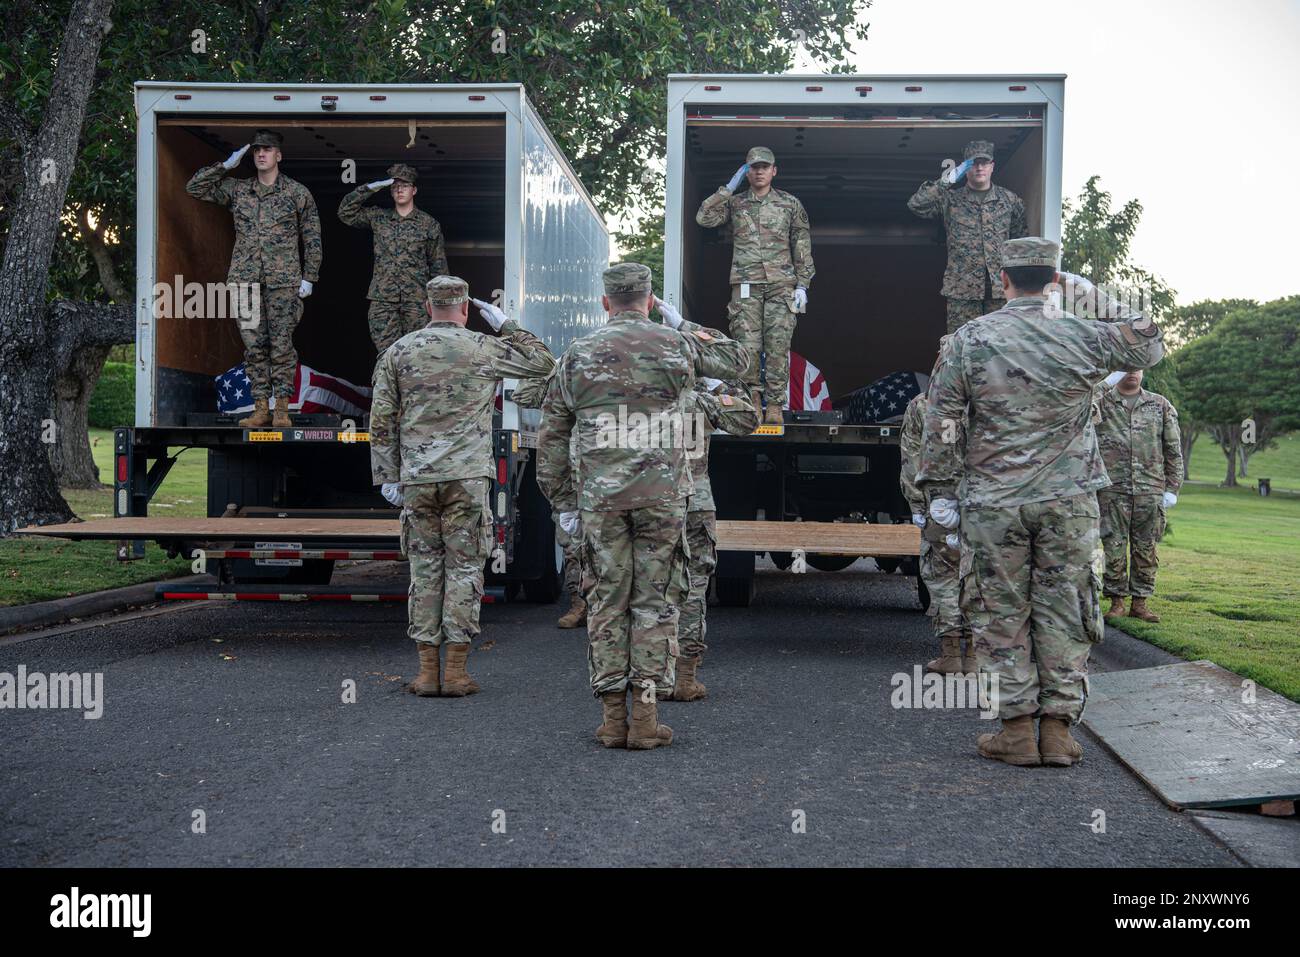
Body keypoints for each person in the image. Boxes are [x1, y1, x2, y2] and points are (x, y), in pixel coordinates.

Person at [917, 238, 1165, 768]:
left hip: (993, 501)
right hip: (1069, 500)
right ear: (1056, 280)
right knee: (1066, 610)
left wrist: (940, 492)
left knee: (999, 611)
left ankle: (1016, 731)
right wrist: (1096, 298)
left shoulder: (970, 338)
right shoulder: (1084, 334)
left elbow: (940, 422)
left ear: (1002, 281)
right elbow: (1148, 341)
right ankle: (1057, 732)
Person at [537, 263, 748, 750]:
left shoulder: (577, 354)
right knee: (655, 604)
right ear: (651, 300)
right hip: (662, 499)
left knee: (608, 603)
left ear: (605, 302)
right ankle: (647, 718)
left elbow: (551, 436)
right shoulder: (676, 345)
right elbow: (736, 359)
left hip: (601, 501)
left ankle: (613, 720)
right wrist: (683, 324)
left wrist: (564, 502)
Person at [370, 276, 555, 697]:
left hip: (417, 478)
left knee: (425, 569)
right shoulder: (483, 348)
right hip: (467, 478)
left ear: (426, 304)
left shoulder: (399, 351)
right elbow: (543, 362)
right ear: (467, 309)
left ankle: (424, 673)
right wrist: (507, 324)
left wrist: (388, 476)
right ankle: (454, 673)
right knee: (465, 569)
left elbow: (380, 419)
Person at [652, 298, 759, 700]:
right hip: (695, 501)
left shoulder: (644, 398)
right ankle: (685, 676)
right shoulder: (699, 397)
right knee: (694, 586)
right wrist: (721, 384)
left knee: (655, 588)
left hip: (652, 501)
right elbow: (748, 418)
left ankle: (654, 676)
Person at [187, 129, 322, 428]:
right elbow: (194, 188)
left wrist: (309, 276)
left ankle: (282, 410)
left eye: (267, 149)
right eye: (257, 150)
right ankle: (261, 408)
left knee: (281, 345)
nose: (261, 154)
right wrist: (225, 166)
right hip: (245, 281)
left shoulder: (297, 193)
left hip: (284, 282)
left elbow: (312, 237)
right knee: (254, 346)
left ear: (278, 156)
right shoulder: (238, 190)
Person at [696, 147, 814, 425]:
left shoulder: (789, 203)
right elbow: (704, 218)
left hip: (781, 285)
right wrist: (726, 190)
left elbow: (802, 245)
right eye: (753, 167)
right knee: (746, 347)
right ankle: (753, 399)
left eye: (764, 167)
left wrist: (803, 285)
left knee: (777, 346)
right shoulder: (735, 203)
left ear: (774, 170)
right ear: (747, 172)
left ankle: (774, 404)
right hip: (746, 284)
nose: (759, 171)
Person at [907, 140, 1027, 334]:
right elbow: (917, 205)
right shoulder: (951, 200)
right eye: (973, 163)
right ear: (965, 167)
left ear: (992, 166)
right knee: (961, 348)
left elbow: (1020, 245)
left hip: (1001, 293)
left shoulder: (1010, 201)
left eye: (984, 162)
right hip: (962, 293)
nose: (979, 167)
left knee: (1000, 349)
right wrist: (949, 178)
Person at [1095, 370, 1184, 623]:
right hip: (1112, 489)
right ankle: (1116, 602)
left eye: (1137, 368)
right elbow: (1079, 402)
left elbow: (1173, 451)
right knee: (1112, 547)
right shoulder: (1102, 402)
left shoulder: (1160, 405)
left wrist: (1172, 489)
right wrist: (1106, 382)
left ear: (1143, 372)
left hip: (1150, 490)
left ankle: (1140, 603)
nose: (1132, 372)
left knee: (1146, 549)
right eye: (1126, 367)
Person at [900, 388, 974, 675]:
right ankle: (977, 656)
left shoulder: (922, 403)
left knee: (943, 573)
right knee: (979, 573)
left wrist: (916, 503)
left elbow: (911, 457)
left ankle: (951, 653)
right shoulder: (986, 396)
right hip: (981, 497)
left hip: (938, 499)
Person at [338, 163, 448, 353]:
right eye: (395, 186)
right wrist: (369, 188)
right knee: (386, 355)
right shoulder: (379, 217)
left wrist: (440, 306)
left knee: (417, 354)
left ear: (414, 190)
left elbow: (438, 266)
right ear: (390, 191)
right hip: (383, 300)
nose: (399, 190)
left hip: (417, 301)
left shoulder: (428, 224)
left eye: (404, 185)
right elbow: (345, 213)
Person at [512, 370, 587, 629]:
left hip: (605, 477)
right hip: (568, 476)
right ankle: (580, 603)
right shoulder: (561, 377)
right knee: (571, 544)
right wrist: (548, 374)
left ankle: (611, 609)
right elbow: (523, 396)